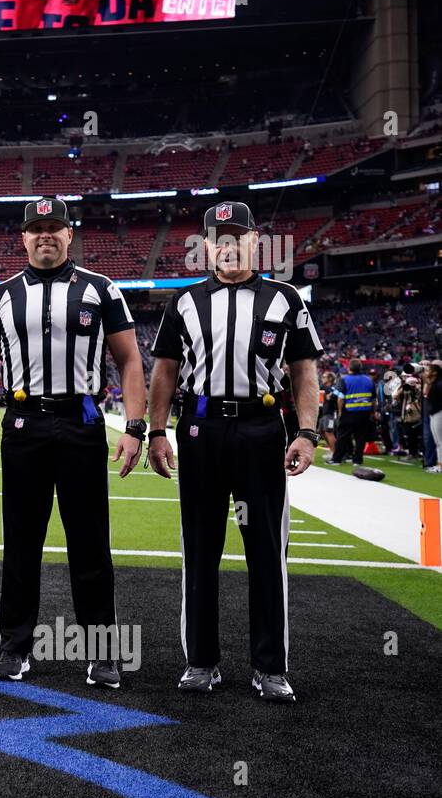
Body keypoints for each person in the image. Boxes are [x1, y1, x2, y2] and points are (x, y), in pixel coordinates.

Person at [0, 197, 147, 687]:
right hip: (23, 426)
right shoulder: (1, 295)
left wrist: (133, 427)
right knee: (22, 542)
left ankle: (102, 651)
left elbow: (129, 360)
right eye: (36, 228)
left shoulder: (101, 289)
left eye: (55, 227)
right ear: (23, 237)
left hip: (82, 423)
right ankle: (15, 645)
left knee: (90, 544)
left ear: (70, 234)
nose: (45, 235)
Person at [147, 201, 323, 703]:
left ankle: (270, 666)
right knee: (200, 550)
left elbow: (304, 370)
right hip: (201, 429)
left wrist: (306, 432)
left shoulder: (285, 299)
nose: (228, 245)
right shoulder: (184, 301)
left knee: (266, 551)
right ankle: (201, 662)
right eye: (218, 237)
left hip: (262, 428)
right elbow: (164, 370)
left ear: (254, 240)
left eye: (237, 236)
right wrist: (157, 431)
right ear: (206, 246)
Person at [327, 358, 375, 466]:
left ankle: (337, 459)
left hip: (348, 412)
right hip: (364, 413)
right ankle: (357, 460)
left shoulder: (344, 379)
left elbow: (340, 398)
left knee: (342, 437)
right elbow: (373, 399)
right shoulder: (369, 380)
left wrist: (340, 412)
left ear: (349, 368)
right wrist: (373, 412)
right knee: (360, 438)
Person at [317, 371, 338, 452]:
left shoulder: (333, 388)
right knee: (321, 432)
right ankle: (332, 450)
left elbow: (336, 395)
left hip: (331, 413)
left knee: (329, 432)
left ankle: (335, 453)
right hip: (324, 413)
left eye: (324, 377)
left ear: (330, 378)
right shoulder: (324, 388)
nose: (322, 379)